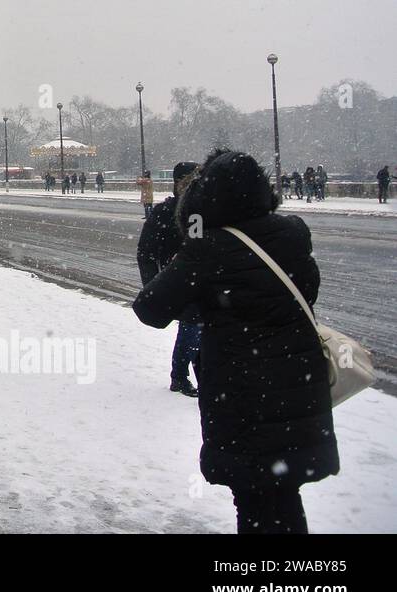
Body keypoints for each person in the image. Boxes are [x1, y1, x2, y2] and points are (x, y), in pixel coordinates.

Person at [132, 150, 337, 534]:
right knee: (286, 497)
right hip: (297, 387)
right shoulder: (291, 234)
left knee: (254, 501)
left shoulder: (207, 249)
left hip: (242, 393)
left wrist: (200, 297)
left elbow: (150, 309)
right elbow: (306, 291)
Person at [136, 161, 201, 397]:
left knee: (199, 328)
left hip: (200, 280)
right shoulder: (166, 212)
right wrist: (153, 287)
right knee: (193, 326)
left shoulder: (201, 211)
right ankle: (180, 376)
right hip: (179, 281)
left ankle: (192, 374)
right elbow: (146, 253)